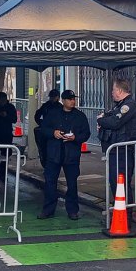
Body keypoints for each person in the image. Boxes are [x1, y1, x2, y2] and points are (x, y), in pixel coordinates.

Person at [38, 90, 91, 220]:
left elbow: (86, 133)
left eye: (73, 99)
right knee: (50, 183)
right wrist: (53, 133)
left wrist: (75, 138)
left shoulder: (80, 116)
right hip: (54, 154)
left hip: (71, 155)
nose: (72, 101)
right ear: (63, 100)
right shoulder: (53, 114)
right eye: (69, 99)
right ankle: (48, 210)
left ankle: (72, 210)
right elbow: (43, 129)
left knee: (72, 184)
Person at [97, 78, 136, 210]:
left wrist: (101, 121)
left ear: (120, 91)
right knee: (115, 182)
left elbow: (115, 122)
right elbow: (110, 116)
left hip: (123, 150)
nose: (112, 93)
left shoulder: (129, 105)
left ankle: (126, 214)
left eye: (113, 90)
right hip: (115, 149)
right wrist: (104, 119)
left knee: (121, 182)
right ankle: (119, 211)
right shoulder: (119, 105)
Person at [33, 89, 63, 168]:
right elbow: (37, 115)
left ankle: (52, 165)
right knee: (44, 149)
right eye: (51, 97)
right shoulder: (46, 105)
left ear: (57, 97)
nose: (52, 99)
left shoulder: (60, 107)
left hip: (56, 131)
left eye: (54, 97)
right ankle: (46, 165)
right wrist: (42, 124)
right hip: (46, 131)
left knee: (55, 150)